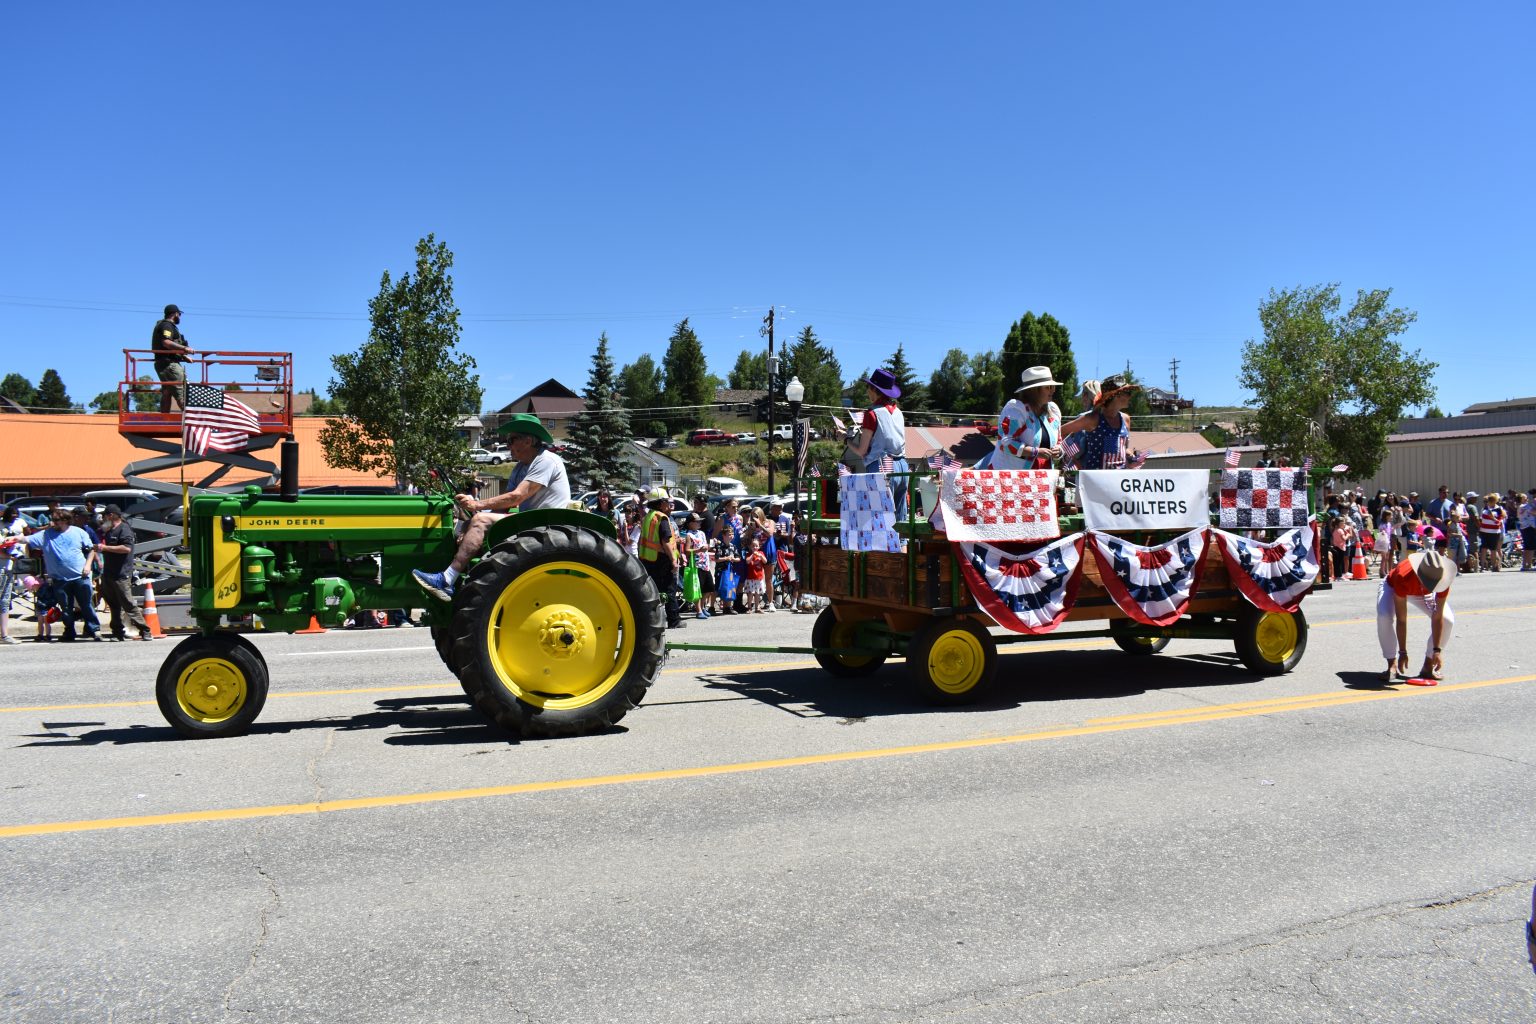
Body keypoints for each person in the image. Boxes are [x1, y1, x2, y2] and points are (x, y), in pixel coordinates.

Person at [411, 413, 570, 601]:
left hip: (547, 525)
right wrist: (470, 523)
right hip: (530, 521)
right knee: (469, 523)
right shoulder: (520, 467)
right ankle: (467, 581)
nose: (507, 444)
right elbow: (505, 505)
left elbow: (516, 497)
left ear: (528, 440)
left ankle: (446, 580)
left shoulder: (546, 461)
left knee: (480, 519)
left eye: (511, 440)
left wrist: (477, 505)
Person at [1376, 548, 1455, 682]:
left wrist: (1436, 650)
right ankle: (1392, 664)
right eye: (1428, 581)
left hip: (1423, 593)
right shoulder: (1403, 576)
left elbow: (1437, 617)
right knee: (1384, 616)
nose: (1432, 584)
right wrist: (1402, 652)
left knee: (1448, 620)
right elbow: (1402, 619)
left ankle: (1428, 666)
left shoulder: (1443, 579)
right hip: (1393, 586)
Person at [23, 509, 101, 641]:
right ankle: (69, 632)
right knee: (66, 608)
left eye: (56, 520)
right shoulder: (46, 534)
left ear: (65, 520)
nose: (53, 523)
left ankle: (94, 630)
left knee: (86, 605)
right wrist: (13, 539)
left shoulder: (78, 532)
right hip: (59, 578)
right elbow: (26, 539)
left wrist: (88, 565)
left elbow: (92, 549)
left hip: (80, 576)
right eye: (52, 520)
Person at [847, 368, 910, 518]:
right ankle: (903, 542)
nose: (867, 391)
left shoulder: (871, 413)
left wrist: (846, 440)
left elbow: (862, 451)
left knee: (880, 520)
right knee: (900, 520)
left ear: (874, 389)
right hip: (903, 466)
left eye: (868, 387)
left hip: (882, 466)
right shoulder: (899, 412)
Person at [987, 365, 1065, 470]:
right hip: (1010, 477)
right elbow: (1005, 443)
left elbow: (1059, 440)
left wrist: (1058, 450)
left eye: (1053, 386)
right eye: (1048, 387)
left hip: (1043, 477)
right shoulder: (1016, 410)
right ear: (1034, 390)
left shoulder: (1053, 411)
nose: (1053, 390)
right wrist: (1035, 452)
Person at [95, 504, 152, 641]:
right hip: (109, 573)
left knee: (128, 604)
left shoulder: (124, 529)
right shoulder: (109, 531)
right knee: (113, 604)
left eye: (105, 516)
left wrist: (105, 548)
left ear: (111, 515)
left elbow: (126, 548)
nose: (103, 519)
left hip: (121, 574)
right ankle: (117, 632)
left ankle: (145, 630)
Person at [1060, 374, 1139, 470]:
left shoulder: (1125, 419)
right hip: (1095, 481)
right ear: (1115, 395)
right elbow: (1061, 431)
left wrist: (1130, 457)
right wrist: (1075, 460)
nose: (1130, 396)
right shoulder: (1093, 419)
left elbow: (1123, 448)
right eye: (1128, 393)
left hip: (1119, 479)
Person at [637, 487, 683, 629]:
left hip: (648, 560)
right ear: (660, 503)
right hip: (662, 559)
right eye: (665, 501)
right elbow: (666, 541)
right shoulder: (662, 518)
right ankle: (674, 619)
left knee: (652, 591)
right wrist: (674, 561)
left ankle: (648, 620)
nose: (668, 504)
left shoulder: (648, 517)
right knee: (670, 589)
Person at [152, 303, 191, 414]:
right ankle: (190, 420)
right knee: (181, 393)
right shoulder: (167, 326)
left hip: (164, 363)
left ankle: (163, 419)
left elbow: (169, 346)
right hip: (169, 364)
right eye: (179, 314)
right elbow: (166, 342)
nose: (180, 316)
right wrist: (185, 348)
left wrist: (183, 356)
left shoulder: (165, 325)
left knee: (167, 391)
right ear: (175, 314)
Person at [0, 504, 25, 646]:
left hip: (7, 568)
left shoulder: (13, 526)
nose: (14, 518)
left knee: (4, 601)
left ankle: (4, 634)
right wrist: (10, 555)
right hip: (1, 567)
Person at [681, 513, 714, 619]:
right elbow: (686, 550)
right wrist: (699, 550)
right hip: (696, 564)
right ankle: (698, 610)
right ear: (690, 523)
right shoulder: (689, 535)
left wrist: (708, 547)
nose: (699, 523)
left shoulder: (702, 533)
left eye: (700, 521)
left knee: (709, 587)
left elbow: (704, 545)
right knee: (698, 588)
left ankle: (702, 606)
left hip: (705, 563)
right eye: (697, 521)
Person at [1476, 491, 1505, 573]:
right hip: (1484, 532)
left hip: (1494, 532)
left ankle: (1493, 566)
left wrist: (1492, 518)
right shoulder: (1485, 509)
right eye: (1488, 501)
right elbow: (1481, 519)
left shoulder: (1499, 509)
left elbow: (1499, 522)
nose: (1488, 502)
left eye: (1490, 500)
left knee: (1493, 550)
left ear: (1494, 501)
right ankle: (1482, 567)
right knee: (1484, 549)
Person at [742, 537, 767, 613]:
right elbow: (747, 561)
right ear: (750, 547)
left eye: (756, 546)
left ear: (759, 546)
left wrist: (761, 556)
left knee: (758, 593)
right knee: (750, 593)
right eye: (753, 546)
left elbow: (765, 561)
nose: (755, 547)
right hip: (751, 577)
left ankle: (757, 607)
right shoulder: (748, 554)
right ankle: (749, 607)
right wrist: (752, 555)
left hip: (759, 577)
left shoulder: (761, 553)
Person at [1519, 490, 1536, 572]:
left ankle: (1525, 564)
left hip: (1523, 527)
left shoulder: (1520, 507)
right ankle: (1527, 564)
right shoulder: (1527, 506)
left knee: (1527, 546)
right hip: (1530, 527)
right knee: (1531, 547)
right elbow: (1534, 512)